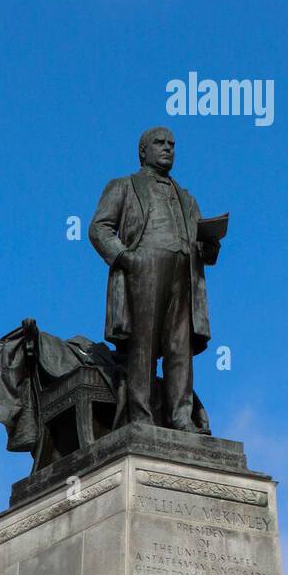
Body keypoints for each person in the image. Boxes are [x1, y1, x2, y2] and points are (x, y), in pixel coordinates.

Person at [88, 126, 222, 431]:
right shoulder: (123, 186)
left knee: (179, 347)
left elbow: (206, 250)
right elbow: (99, 228)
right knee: (143, 343)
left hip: (184, 273)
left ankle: (180, 416)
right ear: (142, 152)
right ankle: (140, 415)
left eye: (172, 144)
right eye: (159, 143)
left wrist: (210, 244)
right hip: (143, 267)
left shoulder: (187, 198)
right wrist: (126, 258)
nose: (167, 148)